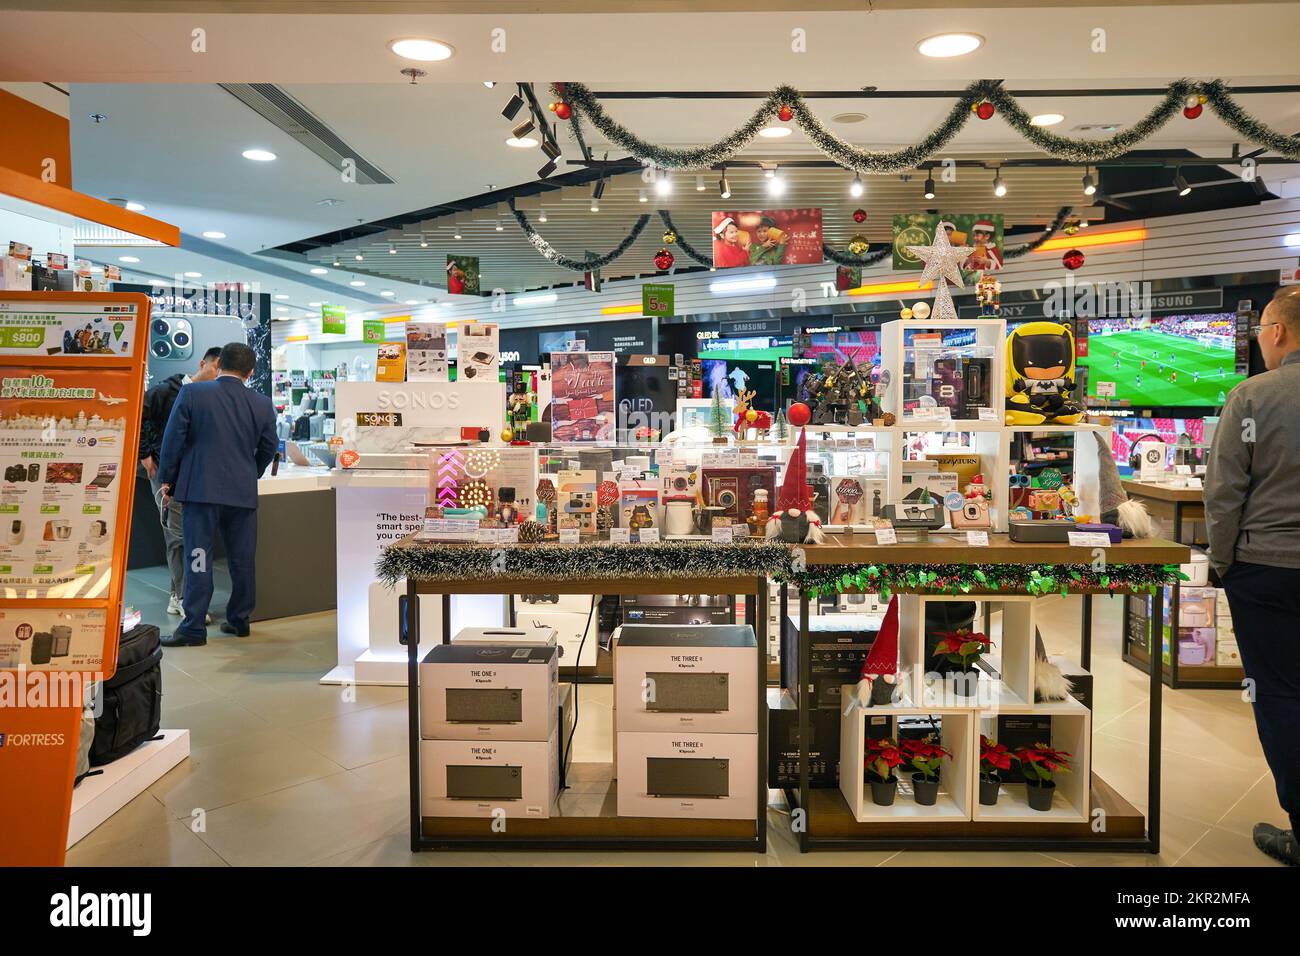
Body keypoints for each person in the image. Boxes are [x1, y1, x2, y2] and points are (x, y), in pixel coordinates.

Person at [1204, 285, 1300, 866]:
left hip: (1267, 569)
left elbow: (1224, 494)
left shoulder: (1254, 398)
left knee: (1280, 695)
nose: (1260, 340)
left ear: (1280, 331)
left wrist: (1222, 564)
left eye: (1261, 329)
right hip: (1267, 567)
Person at [157, 342, 278, 647]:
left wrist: (167, 480)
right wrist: (251, 471)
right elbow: (268, 447)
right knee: (242, 558)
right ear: (251, 372)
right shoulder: (262, 404)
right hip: (242, 492)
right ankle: (239, 620)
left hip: (199, 490)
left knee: (198, 556)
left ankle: (194, 626)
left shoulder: (193, 394)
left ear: (219, 363)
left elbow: (173, 440)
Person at [138, 346, 221, 615]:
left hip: (196, 475)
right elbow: (138, 414)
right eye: (215, 367)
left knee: (187, 535)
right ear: (202, 364)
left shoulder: (213, 398)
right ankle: (185, 597)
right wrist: (144, 453)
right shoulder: (167, 390)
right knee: (177, 534)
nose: (218, 374)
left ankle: (178, 594)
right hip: (166, 475)